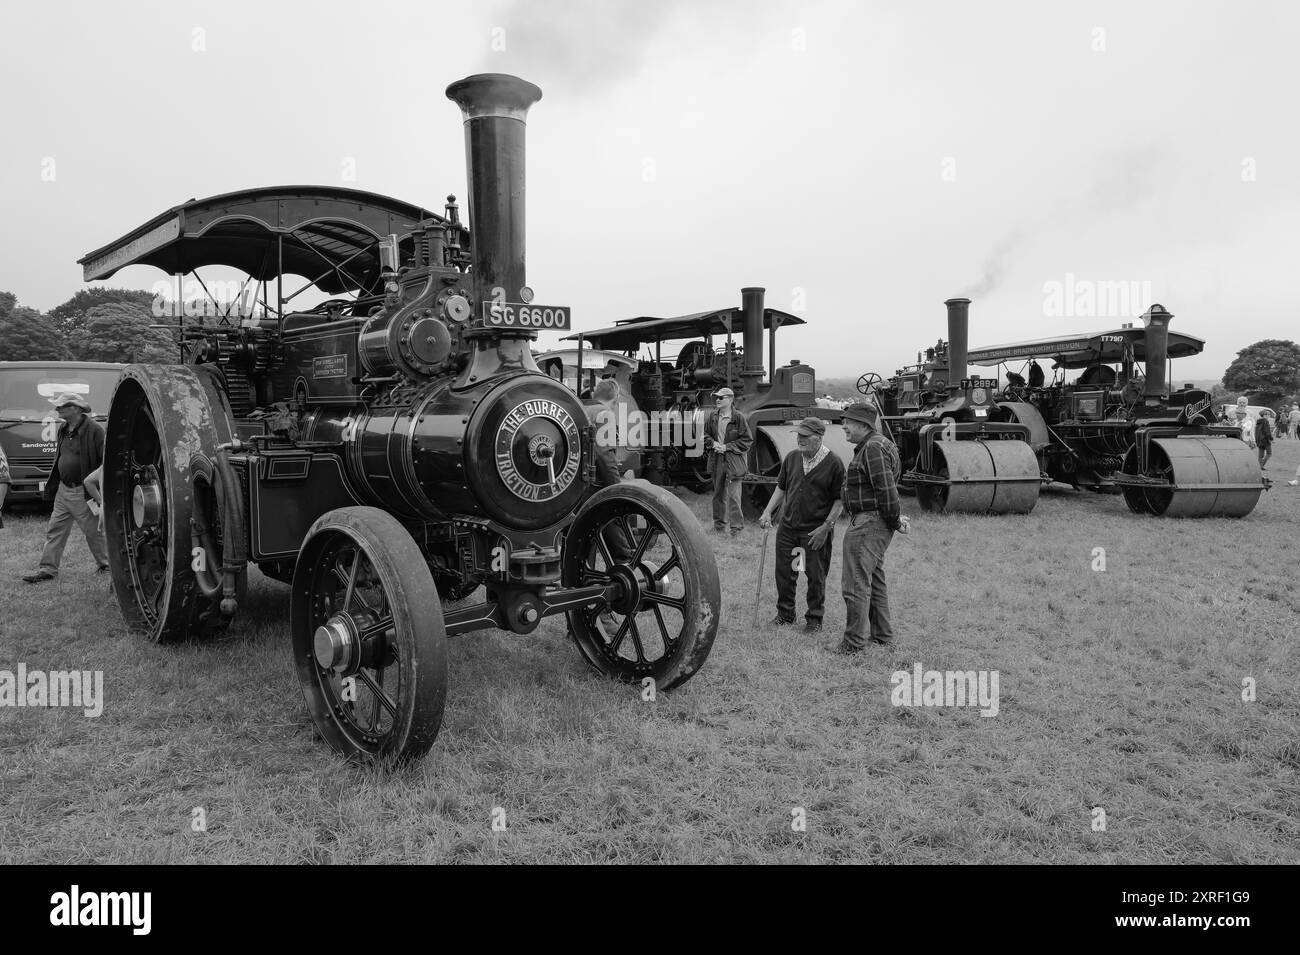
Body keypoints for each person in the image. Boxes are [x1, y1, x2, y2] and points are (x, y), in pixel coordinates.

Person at [831, 402, 910, 654]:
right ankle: (882, 636)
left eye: (848, 421)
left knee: (854, 584)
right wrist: (894, 520)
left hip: (868, 523)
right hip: (874, 522)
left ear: (863, 425)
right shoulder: (877, 444)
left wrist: (896, 520)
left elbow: (887, 491)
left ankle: (853, 643)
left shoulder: (873, 447)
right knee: (873, 580)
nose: (843, 425)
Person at [758, 417, 846, 633]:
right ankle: (785, 614)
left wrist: (827, 527)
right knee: (786, 572)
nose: (800, 439)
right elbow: (782, 487)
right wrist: (768, 511)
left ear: (818, 438)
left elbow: (840, 499)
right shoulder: (792, 458)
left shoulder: (834, 463)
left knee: (815, 575)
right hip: (788, 528)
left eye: (805, 436)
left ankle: (814, 619)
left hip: (815, 531)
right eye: (799, 435)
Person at [21, 393, 109, 583]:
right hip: (63, 490)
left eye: (61, 407)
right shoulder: (63, 428)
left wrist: (97, 491)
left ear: (76, 409)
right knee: (55, 529)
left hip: (81, 491)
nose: (57, 410)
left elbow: (106, 463)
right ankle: (47, 570)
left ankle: (106, 565)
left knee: (93, 532)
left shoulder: (95, 431)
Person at [704, 387, 752, 535]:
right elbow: (705, 435)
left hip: (733, 461)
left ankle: (736, 530)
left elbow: (747, 440)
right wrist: (713, 444)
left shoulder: (738, 418)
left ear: (730, 400)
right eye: (716, 398)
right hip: (716, 460)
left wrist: (726, 447)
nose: (717, 400)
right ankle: (719, 527)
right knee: (718, 494)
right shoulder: (712, 416)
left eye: (721, 398)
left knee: (734, 497)